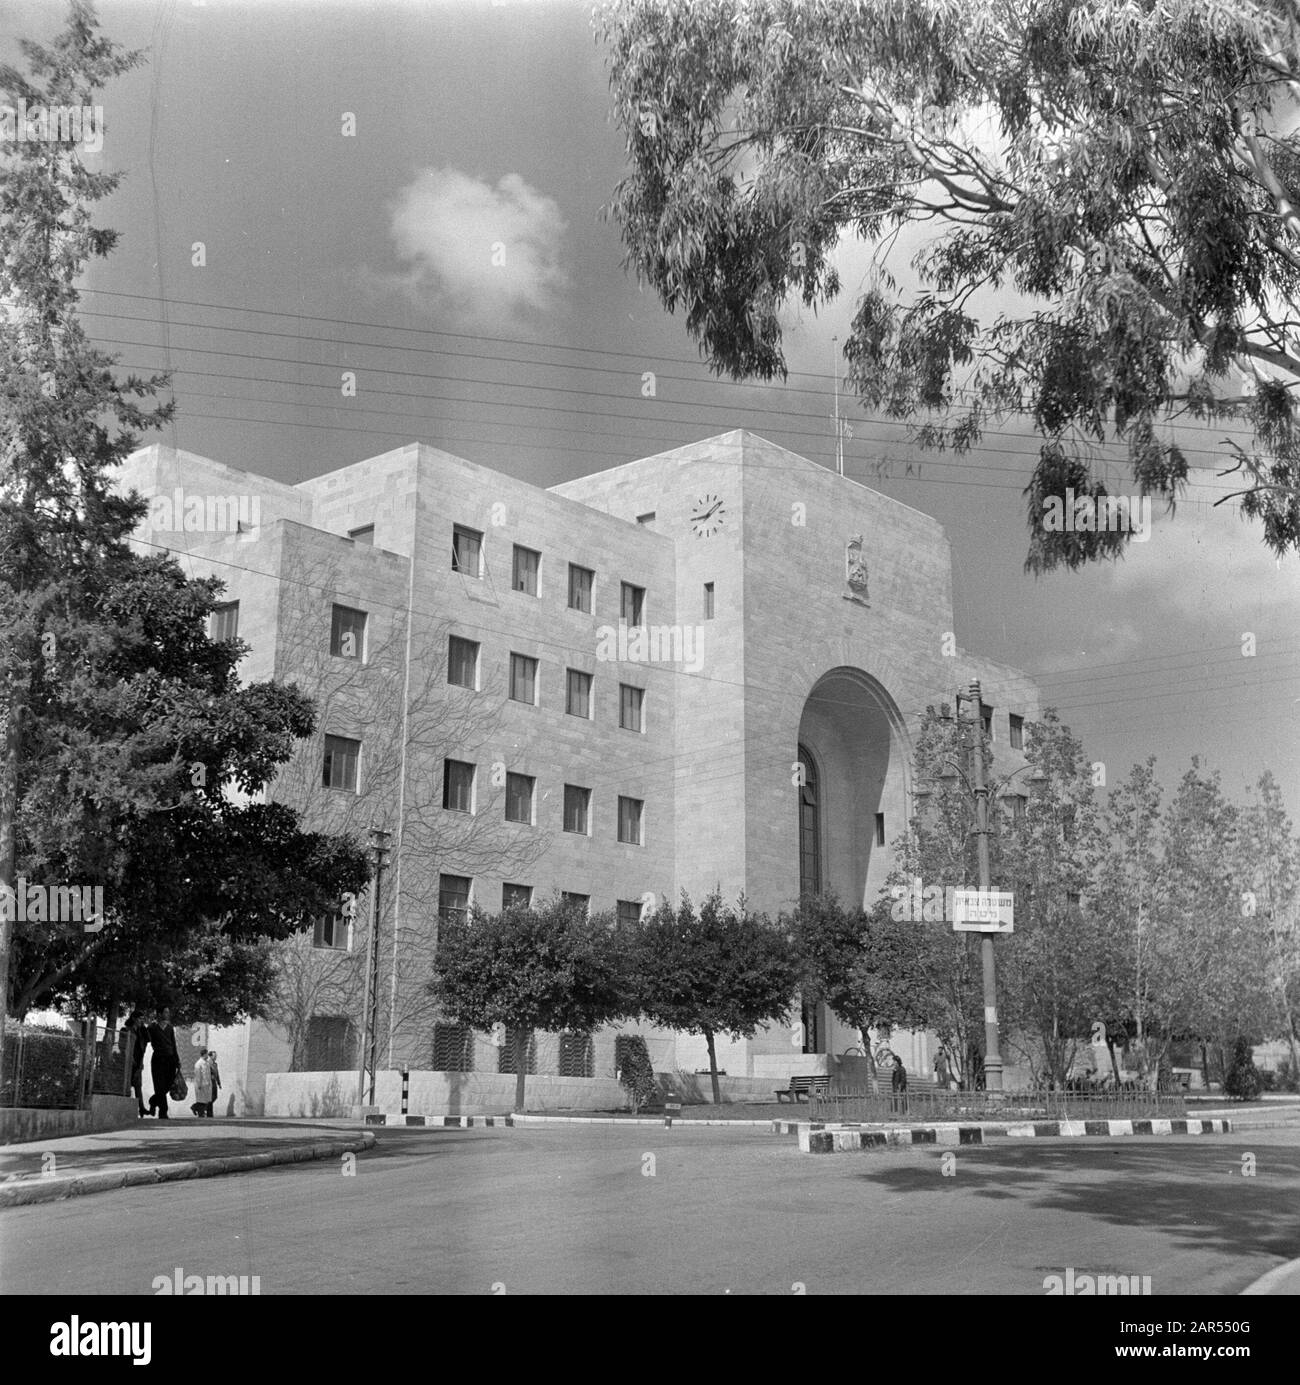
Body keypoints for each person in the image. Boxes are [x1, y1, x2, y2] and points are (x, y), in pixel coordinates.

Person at [146, 1006, 179, 1119]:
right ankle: (163, 1111)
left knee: (168, 1084)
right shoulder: (152, 1027)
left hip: (170, 1059)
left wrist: (177, 1060)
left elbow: (174, 1045)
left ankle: (153, 1101)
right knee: (159, 1085)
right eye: (165, 1012)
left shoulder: (170, 1028)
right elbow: (145, 1039)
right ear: (159, 1014)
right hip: (158, 1059)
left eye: (168, 1012)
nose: (168, 1014)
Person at [122, 1010, 147, 1117]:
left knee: (138, 1085)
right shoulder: (126, 1030)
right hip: (128, 1062)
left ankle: (141, 1108)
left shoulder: (141, 1032)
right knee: (126, 1085)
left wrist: (141, 1062)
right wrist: (130, 1057)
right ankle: (126, 1108)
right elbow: (122, 1046)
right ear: (134, 1019)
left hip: (138, 1061)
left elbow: (143, 1047)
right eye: (140, 1019)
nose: (142, 1021)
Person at [192, 1049, 213, 1118]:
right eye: (207, 1054)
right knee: (201, 1100)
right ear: (204, 1054)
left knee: (206, 1100)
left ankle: (196, 1108)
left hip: (207, 1084)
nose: (208, 1055)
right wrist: (199, 1084)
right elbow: (198, 1075)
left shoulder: (207, 1062)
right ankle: (200, 1113)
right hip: (201, 1084)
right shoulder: (198, 1063)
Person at [207, 1050, 221, 1118]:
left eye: (216, 1056)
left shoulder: (215, 1064)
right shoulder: (207, 1063)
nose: (215, 1057)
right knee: (210, 1097)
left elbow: (217, 1074)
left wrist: (219, 1083)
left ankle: (202, 1108)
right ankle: (209, 1113)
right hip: (209, 1082)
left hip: (214, 1082)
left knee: (215, 1097)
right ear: (210, 1056)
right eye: (214, 1056)